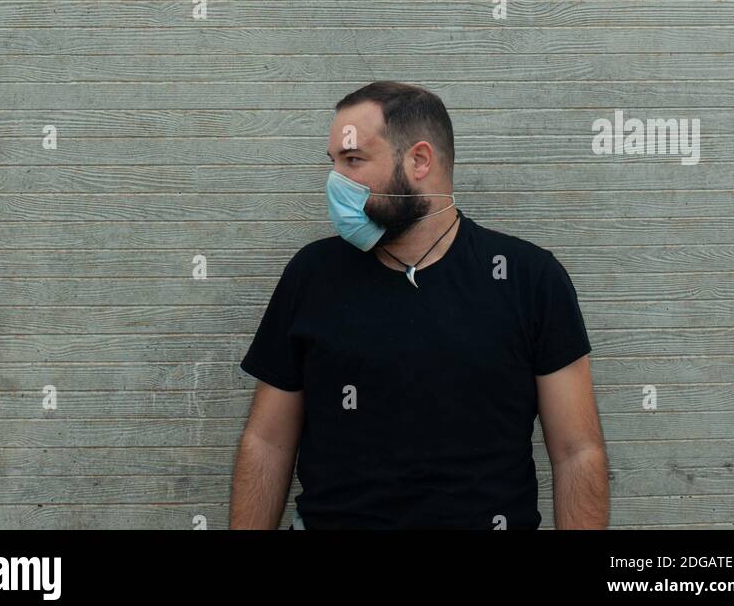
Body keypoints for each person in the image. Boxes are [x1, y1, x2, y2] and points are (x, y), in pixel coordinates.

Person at [229, 80, 608, 529]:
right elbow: (267, 443)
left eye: (353, 160)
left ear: (419, 161)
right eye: (333, 163)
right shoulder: (311, 275)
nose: (336, 182)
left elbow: (576, 452)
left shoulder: (528, 278)